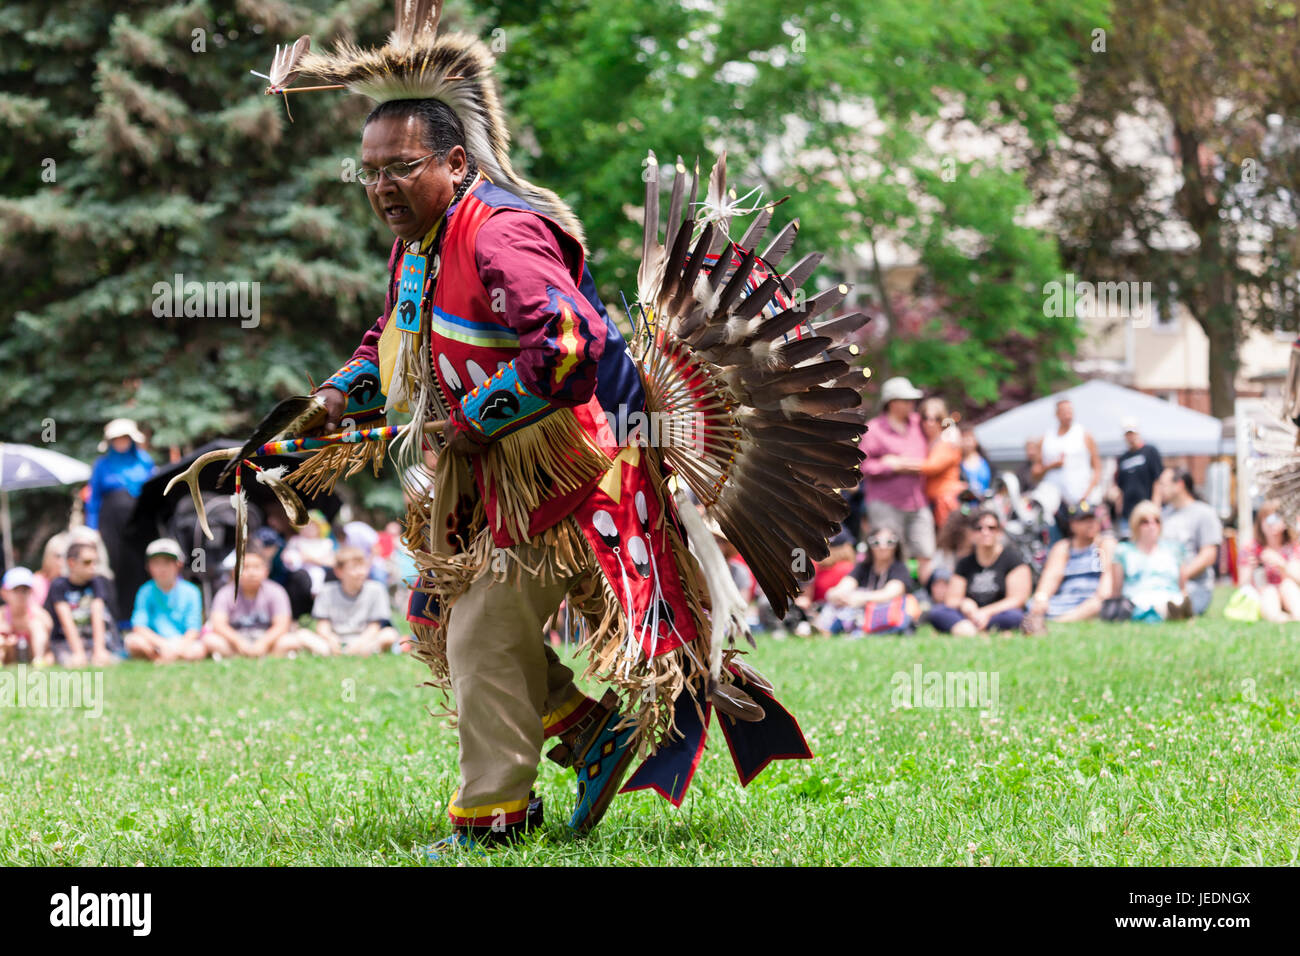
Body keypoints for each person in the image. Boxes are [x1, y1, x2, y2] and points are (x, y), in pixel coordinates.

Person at [860, 377, 935, 584]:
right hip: (886, 504)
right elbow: (862, 466)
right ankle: (891, 594)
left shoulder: (918, 425)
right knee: (888, 553)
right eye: (907, 400)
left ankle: (926, 597)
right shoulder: (874, 429)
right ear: (892, 402)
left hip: (918, 501)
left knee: (925, 550)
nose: (912, 404)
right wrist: (890, 465)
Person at [86, 418, 155, 619]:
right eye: (116, 438)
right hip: (110, 526)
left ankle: (143, 616)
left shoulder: (145, 461)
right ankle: (120, 618)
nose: (121, 442)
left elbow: (154, 489)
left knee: (140, 565)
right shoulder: (102, 465)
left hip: (140, 524)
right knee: (115, 567)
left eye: (125, 437)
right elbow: (93, 499)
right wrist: (92, 528)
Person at [929, 509, 1031, 635]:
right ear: (971, 534)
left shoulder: (1012, 559)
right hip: (970, 615)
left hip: (999, 613)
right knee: (937, 612)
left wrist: (986, 612)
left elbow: (1017, 599)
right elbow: (952, 599)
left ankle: (969, 629)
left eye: (991, 528)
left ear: (999, 532)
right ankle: (974, 628)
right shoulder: (964, 563)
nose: (985, 532)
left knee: (1015, 616)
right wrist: (964, 603)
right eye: (979, 528)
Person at [204, 550, 323, 658]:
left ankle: (254, 654)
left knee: (290, 641)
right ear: (234, 573)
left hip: (267, 639)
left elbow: (282, 624)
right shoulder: (225, 593)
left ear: (266, 571)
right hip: (237, 640)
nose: (251, 572)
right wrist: (239, 642)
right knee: (210, 640)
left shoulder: (276, 591)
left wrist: (263, 643)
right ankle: (253, 654)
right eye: (245, 568)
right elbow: (219, 624)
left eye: (256, 567)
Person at [1024, 501, 1113, 631]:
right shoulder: (1063, 547)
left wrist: (1100, 599)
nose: (1091, 524)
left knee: (1100, 604)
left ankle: (1060, 622)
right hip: (1063, 600)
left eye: (1092, 519)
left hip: (1091, 600)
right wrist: (1041, 598)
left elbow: (1106, 584)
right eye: (1084, 520)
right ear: (1073, 525)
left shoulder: (1104, 544)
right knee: (1033, 604)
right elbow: (1051, 577)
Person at [821, 526, 917, 636]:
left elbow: (890, 593)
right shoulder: (863, 567)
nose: (882, 547)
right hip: (858, 611)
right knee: (835, 606)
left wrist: (860, 598)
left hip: (886, 614)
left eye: (889, 542)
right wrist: (838, 596)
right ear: (869, 546)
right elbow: (842, 588)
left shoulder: (900, 569)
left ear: (896, 546)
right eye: (876, 542)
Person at [125, 538, 207, 663]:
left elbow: (194, 628)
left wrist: (178, 647)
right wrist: (163, 644)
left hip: (182, 642)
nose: (162, 568)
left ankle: (165, 658)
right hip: (155, 642)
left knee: (199, 649)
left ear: (178, 565)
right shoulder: (145, 591)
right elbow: (139, 626)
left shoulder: (192, 591)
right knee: (133, 641)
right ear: (148, 567)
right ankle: (163, 657)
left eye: (167, 562)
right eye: (156, 563)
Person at [43, 541, 122, 666]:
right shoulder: (59, 585)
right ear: (71, 563)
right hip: (65, 642)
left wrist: (99, 650)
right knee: (71, 662)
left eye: (95, 562)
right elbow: (66, 620)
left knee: (106, 660)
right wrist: (78, 652)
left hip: (94, 640)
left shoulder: (98, 582)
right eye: (87, 562)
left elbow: (98, 614)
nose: (93, 566)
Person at [1111, 500, 1191, 621]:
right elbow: (1117, 591)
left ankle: (1174, 611)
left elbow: (1182, 587)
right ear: (1136, 525)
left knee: (1174, 601)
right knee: (1147, 607)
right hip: (1138, 599)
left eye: (1156, 521)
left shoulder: (1174, 550)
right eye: (1145, 522)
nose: (1152, 526)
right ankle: (1170, 614)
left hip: (1170, 596)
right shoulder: (1123, 551)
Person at [1157, 467, 1222, 615]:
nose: (1160, 489)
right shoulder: (1164, 514)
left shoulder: (1204, 513)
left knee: (1170, 609)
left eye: (1163, 484)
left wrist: (1181, 577)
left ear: (1179, 485)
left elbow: (1209, 555)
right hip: (1163, 582)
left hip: (1195, 586)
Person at [312, 546, 399, 655]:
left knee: (389, 635)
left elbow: (374, 626)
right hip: (336, 639)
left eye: (363, 567)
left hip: (365, 638)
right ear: (339, 571)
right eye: (354, 568)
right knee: (303, 635)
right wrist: (330, 638)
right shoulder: (326, 591)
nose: (360, 572)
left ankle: (361, 651)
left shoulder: (376, 589)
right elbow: (322, 625)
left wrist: (360, 642)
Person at [1037, 399, 1100, 540]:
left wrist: (1088, 492)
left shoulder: (1084, 434)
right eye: (1064, 411)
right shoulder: (1046, 438)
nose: (1068, 414)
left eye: (1070, 411)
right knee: (1055, 542)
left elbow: (1097, 468)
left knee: (1085, 540)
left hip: (1080, 499)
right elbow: (1035, 472)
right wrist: (1051, 466)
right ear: (1057, 414)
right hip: (1055, 505)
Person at [1243, 501, 1300, 622]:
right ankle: (1280, 618)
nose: (1271, 524)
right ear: (1260, 523)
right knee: (1269, 591)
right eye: (1267, 519)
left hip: (1290, 591)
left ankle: (1295, 616)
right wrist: (1253, 569)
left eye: (1276, 518)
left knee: (1288, 586)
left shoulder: (1294, 547)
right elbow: (1242, 584)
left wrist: (1282, 564)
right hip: (1263, 594)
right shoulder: (1251, 549)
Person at [1109, 418, 1163, 538]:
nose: (1130, 436)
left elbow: (1157, 480)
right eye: (1128, 434)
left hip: (1146, 509)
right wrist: (1119, 504)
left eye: (1132, 433)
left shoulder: (1150, 451)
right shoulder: (1122, 458)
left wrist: (1156, 505)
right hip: (1127, 512)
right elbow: (1120, 485)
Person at [916, 397, 965, 528]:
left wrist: (899, 463)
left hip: (946, 502)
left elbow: (932, 467)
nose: (930, 423)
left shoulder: (948, 440)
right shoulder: (924, 441)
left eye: (936, 418)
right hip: (928, 501)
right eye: (926, 418)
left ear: (942, 419)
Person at [1, 567, 52, 665]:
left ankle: (38, 660)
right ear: (4, 593)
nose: (20, 595)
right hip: (10, 654)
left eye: (25, 590)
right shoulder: (3, 614)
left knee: (37, 625)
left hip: (31, 652)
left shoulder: (38, 612)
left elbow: (50, 630)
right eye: (16, 590)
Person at [959, 425, 992, 498]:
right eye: (964, 438)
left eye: (969, 437)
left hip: (987, 502)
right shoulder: (957, 463)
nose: (967, 442)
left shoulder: (986, 460)